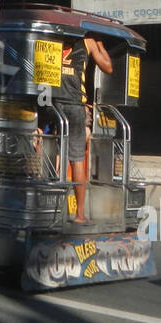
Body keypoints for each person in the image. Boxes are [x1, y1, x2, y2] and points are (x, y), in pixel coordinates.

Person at [61, 36, 114, 224]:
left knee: (52, 150)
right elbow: (108, 67)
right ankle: (80, 215)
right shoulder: (89, 42)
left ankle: (53, 205)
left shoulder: (52, 38)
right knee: (77, 159)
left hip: (49, 103)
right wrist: (100, 45)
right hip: (75, 105)